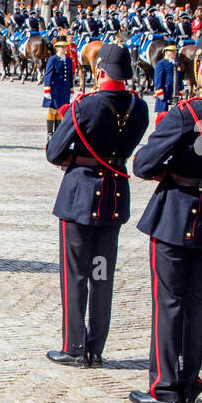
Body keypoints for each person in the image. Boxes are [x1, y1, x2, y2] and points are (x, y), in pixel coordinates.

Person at [129, 31, 202, 403]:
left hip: (177, 213)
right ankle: (189, 380)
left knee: (170, 303)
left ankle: (165, 386)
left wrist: (169, 169)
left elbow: (143, 165)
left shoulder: (186, 113)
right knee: (199, 303)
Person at [46, 44, 149, 368]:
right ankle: (95, 347)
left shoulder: (84, 106)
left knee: (75, 274)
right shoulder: (140, 107)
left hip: (79, 198)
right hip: (113, 197)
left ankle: (74, 346)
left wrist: (73, 159)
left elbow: (54, 152)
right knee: (101, 274)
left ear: (100, 71)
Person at [43, 38, 75, 138]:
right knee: (53, 110)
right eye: (61, 47)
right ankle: (49, 133)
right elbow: (48, 75)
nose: (63, 48)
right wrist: (47, 89)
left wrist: (71, 89)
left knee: (61, 111)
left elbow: (70, 76)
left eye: (65, 46)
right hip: (55, 88)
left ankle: (57, 132)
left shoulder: (69, 60)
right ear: (57, 48)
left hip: (64, 89)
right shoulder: (52, 59)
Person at [153, 44, 178, 121]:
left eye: (175, 51)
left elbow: (179, 77)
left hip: (174, 90)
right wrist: (159, 90)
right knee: (163, 111)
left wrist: (180, 89)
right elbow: (158, 77)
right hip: (165, 89)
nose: (175, 53)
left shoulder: (176, 63)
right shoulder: (161, 63)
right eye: (172, 52)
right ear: (166, 52)